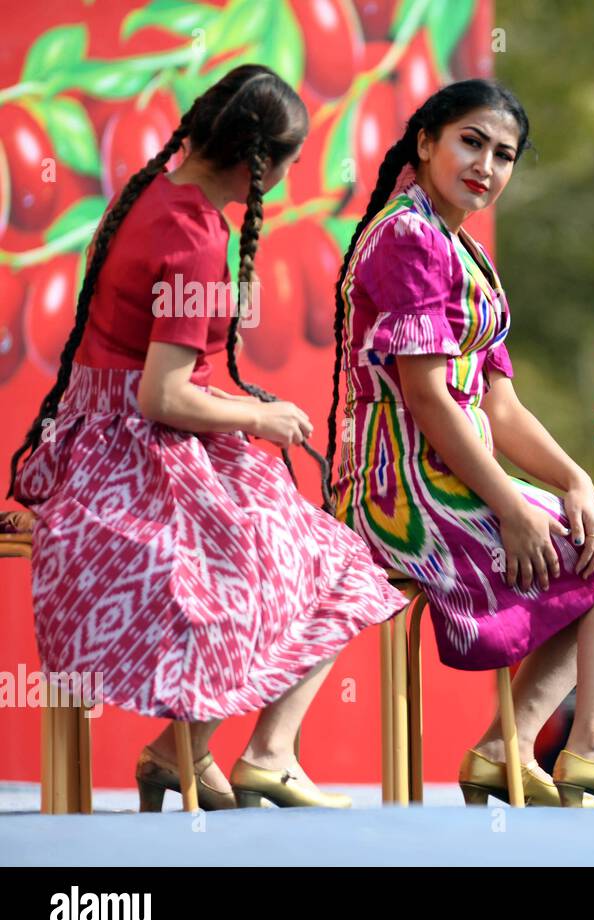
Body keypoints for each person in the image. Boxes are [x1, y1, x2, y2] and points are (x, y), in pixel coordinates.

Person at [8, 65, 407, 810]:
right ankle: (266, 753)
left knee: (283, 541)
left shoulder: (147, 192)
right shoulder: (193, 238)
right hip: (130, 453)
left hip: (93, 435)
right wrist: (261, 416)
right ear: (264, 163)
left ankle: (181, 750)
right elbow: (162, 396)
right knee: (334, 560)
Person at [330, 79, 594, 808]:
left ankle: (509, 749)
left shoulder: (467, 253)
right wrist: (514, 508)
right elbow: (429, 397)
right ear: (426, 141)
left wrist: (573, 484)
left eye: (504, 154)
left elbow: (500, 404)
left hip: (452, 477)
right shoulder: (410, 237)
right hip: (399, 489)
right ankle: (588, 750)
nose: (486, 166)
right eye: (470, 142)